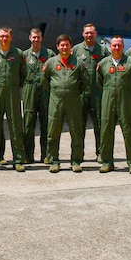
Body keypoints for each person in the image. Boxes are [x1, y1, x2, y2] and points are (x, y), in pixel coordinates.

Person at [41, 34, 88, 173]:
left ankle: (76, 160)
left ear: (70, 46)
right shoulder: (50, 62)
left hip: (73, 101)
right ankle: (54, 160)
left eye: (67, 45)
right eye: (62, 45)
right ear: (57, 47)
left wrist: (73, 91)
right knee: (53, 131)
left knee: (76, 131)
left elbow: (85, 80)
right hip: (56, 102)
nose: (64, 47)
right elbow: (44, 80)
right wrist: (56, 91)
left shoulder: (78, 62)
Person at [97, 35, 131, 174]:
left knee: (129, 132)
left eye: (119, 45)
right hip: (108, 101)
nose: (116, 47)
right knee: (106, 132)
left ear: (123, 47)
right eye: (114, 45)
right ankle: (106, 162)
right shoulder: (103, 64)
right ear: (110, 47)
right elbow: (99, 83)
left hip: (125, 102)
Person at [0, 27, 27, 172]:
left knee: (15, 126)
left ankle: (18, 160)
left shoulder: (18, 54)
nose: (4, 39)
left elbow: (23, 74)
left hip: (12, 92)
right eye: (2, 36)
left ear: (11, 37)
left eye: (6, 36)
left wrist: (14, 85)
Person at [72, 23, 109, 161]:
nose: (89, 35)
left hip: (98, 93)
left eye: (91, 33)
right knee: (79, 125)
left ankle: (100, 153)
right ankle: (78, 154)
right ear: (83, 34)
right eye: (86, 33)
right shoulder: (76, 50)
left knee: (99, 124)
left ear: (96, 34)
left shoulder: (103, 51)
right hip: (81, 93)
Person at [22, 28, 52, 163]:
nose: (36, 40)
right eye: (33, 37)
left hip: (45, 91)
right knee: (28, 123)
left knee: (46, 123)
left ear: (41, 38)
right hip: (29, 90)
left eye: (38, 37)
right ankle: (28, 155)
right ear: (29, 38)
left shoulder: (49, 54)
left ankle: (46, 155)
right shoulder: (23, 55)